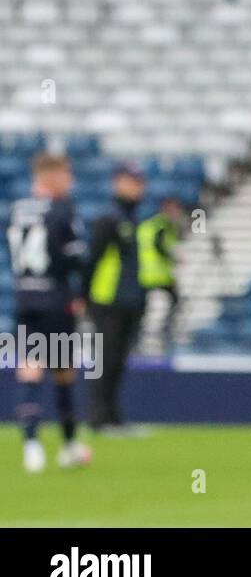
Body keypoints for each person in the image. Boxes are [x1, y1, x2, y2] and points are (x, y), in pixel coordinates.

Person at [7, 153, 93, 472]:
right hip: (57, 300)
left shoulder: (15, 210)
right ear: (51, 176)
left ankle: (31, 446)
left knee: (29, 367)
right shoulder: (62, 210)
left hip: (25, 298)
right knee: (63, 372)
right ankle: (69, 446)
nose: (70, 182)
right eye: (66, 175)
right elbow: (76, 259)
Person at [85, 161, 147, 433]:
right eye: (132, 181)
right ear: (118, 181)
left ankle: (113, 416)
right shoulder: (108, 218)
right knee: (106, 359)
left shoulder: (133, 218)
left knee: (119, 361)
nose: (138, 187)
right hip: (107, 301)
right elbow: (92, 260)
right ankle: (99, 418)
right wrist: (83, 297)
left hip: (130, 300)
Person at [138, 196, 184, 354]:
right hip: (157, 274)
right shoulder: (163, 225)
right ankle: (164, 330)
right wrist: (173, 257)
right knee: (174, 299)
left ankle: (144, 333)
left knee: (145, 306)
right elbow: (159, 245)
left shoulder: (151, 224)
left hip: (146, 273)